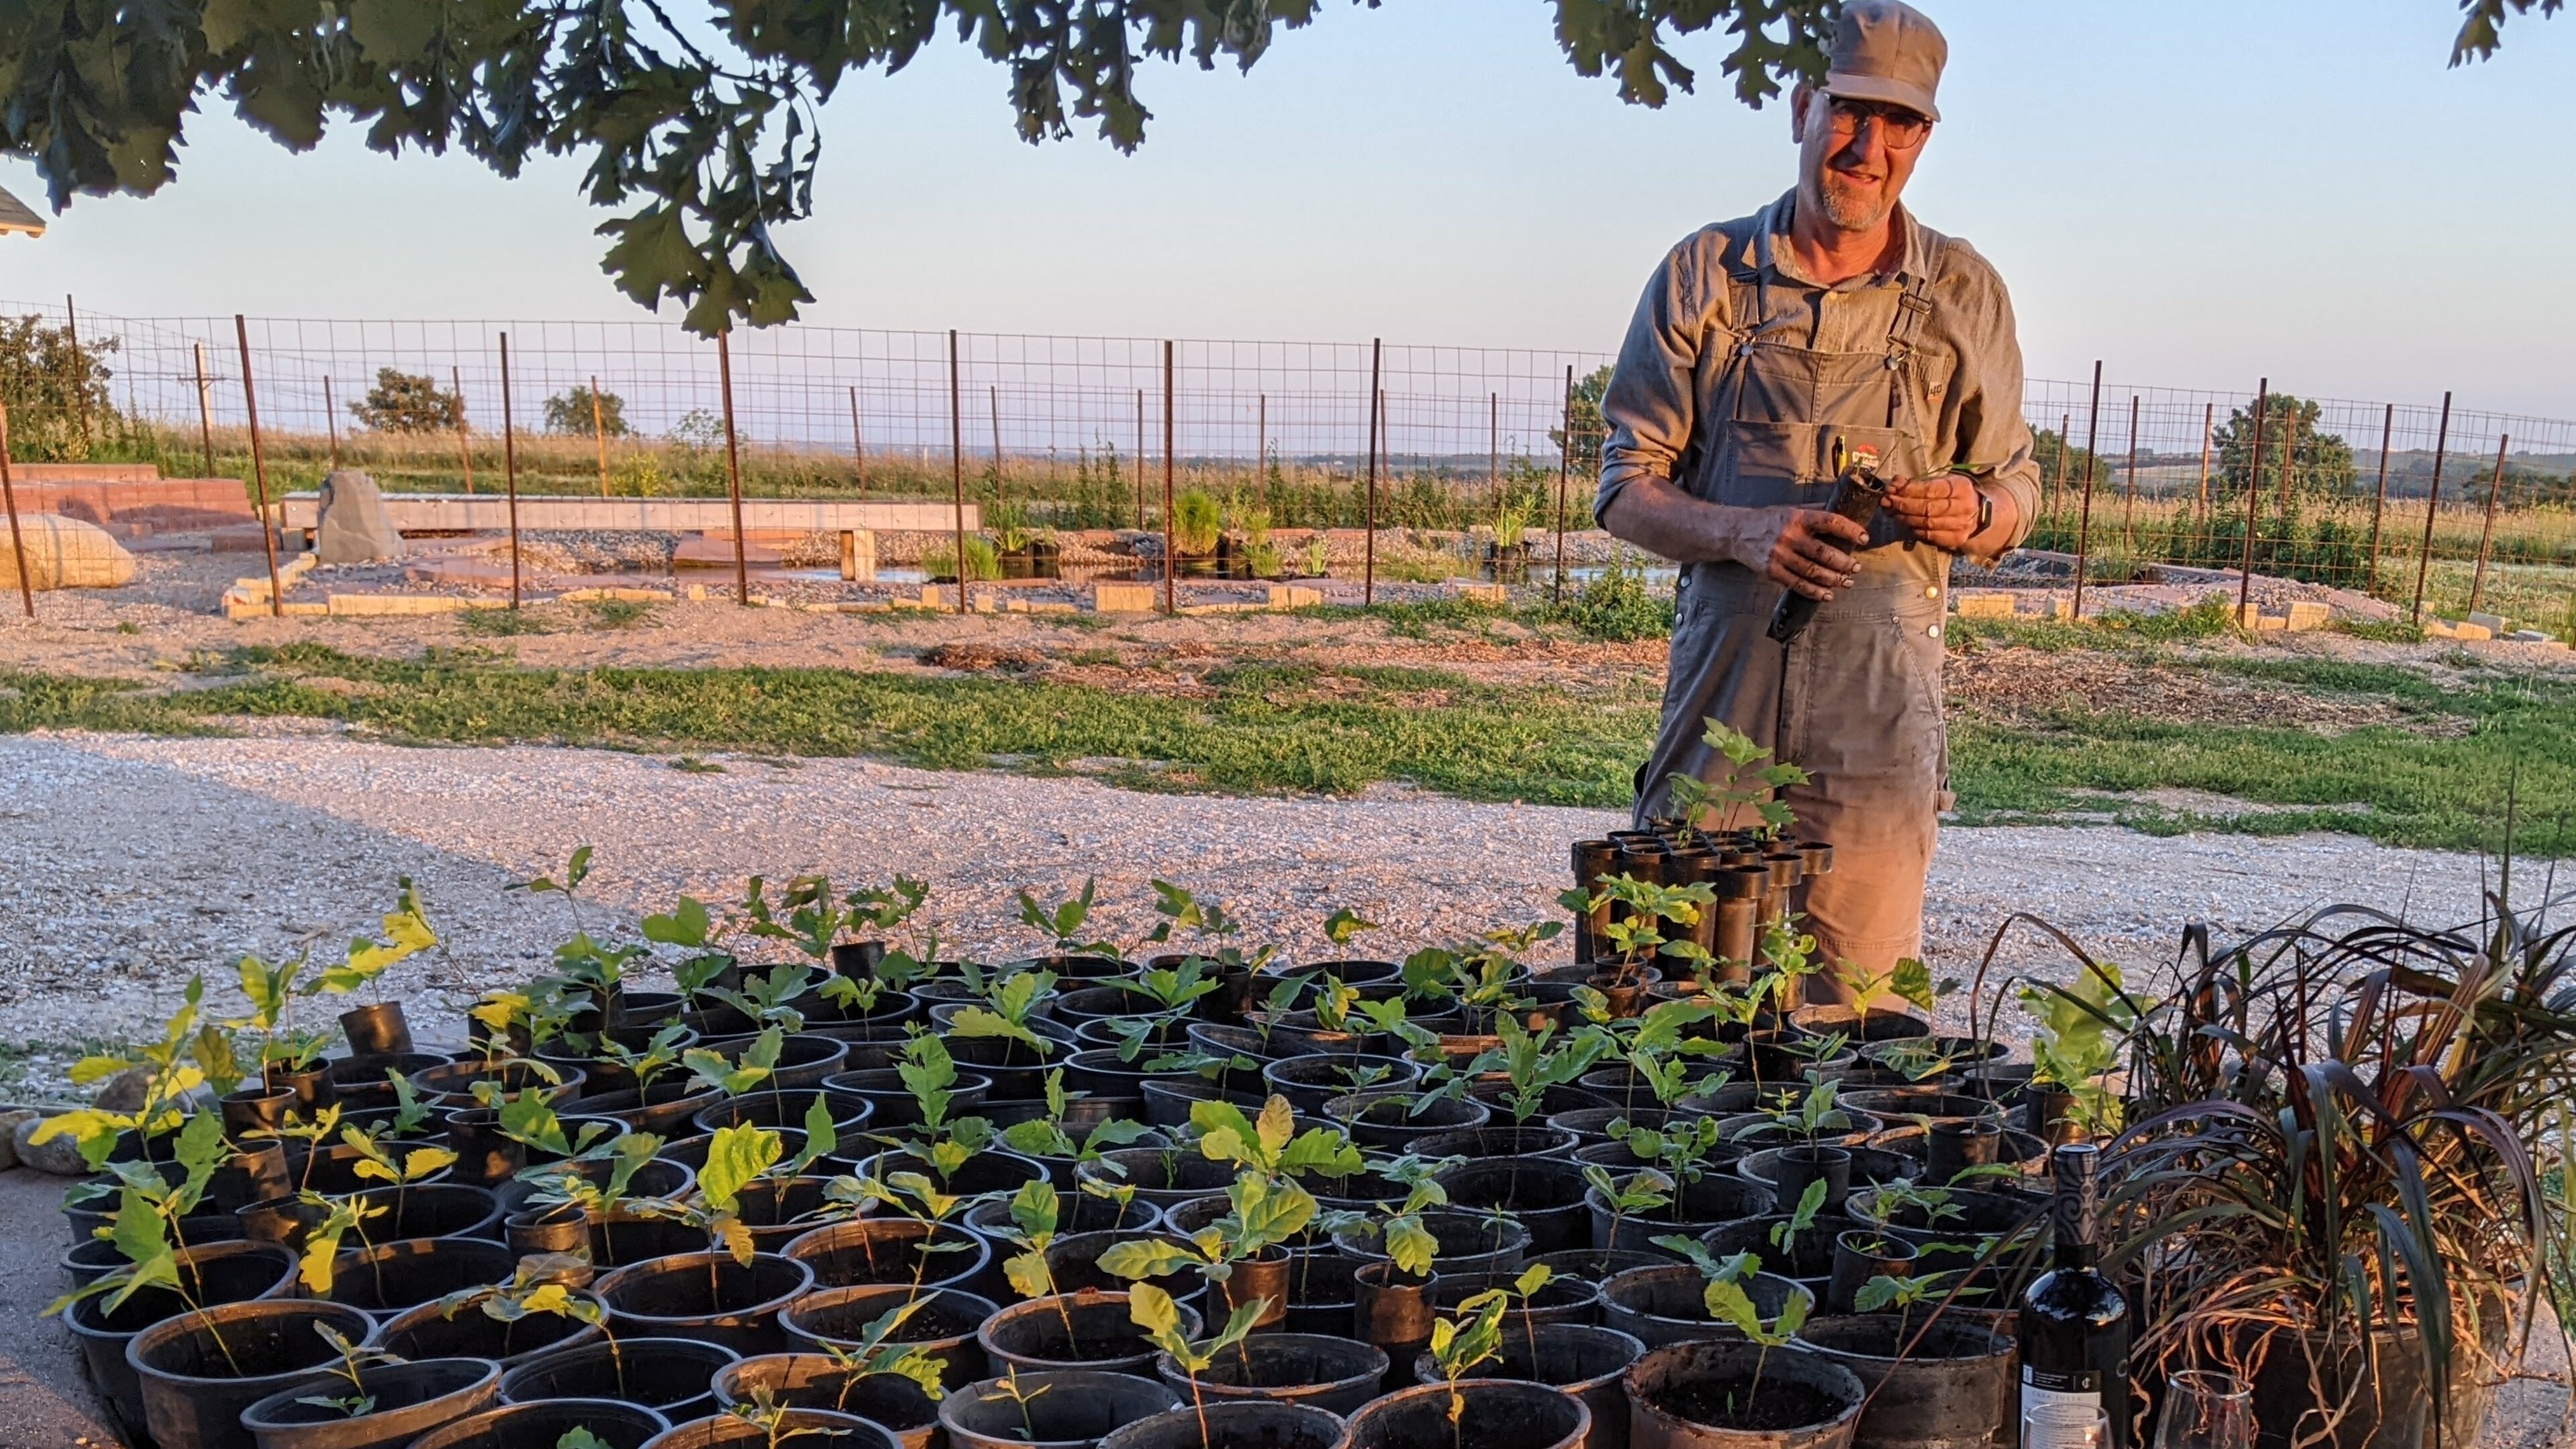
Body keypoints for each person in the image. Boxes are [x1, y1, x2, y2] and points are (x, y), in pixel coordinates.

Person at [1593, 0, 2040, 995]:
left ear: (1925, 137)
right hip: (1725, 705)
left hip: (1879, 716)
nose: (1868, 147)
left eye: (1900, 123)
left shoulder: (1965, 294)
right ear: (1801, 108)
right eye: (1848, 110)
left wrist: (1971, 515)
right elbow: (1624, 489)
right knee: (1675, 996)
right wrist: (1743, 531)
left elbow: (2017, 486)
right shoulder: (1705, 275)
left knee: (1859, 1007)